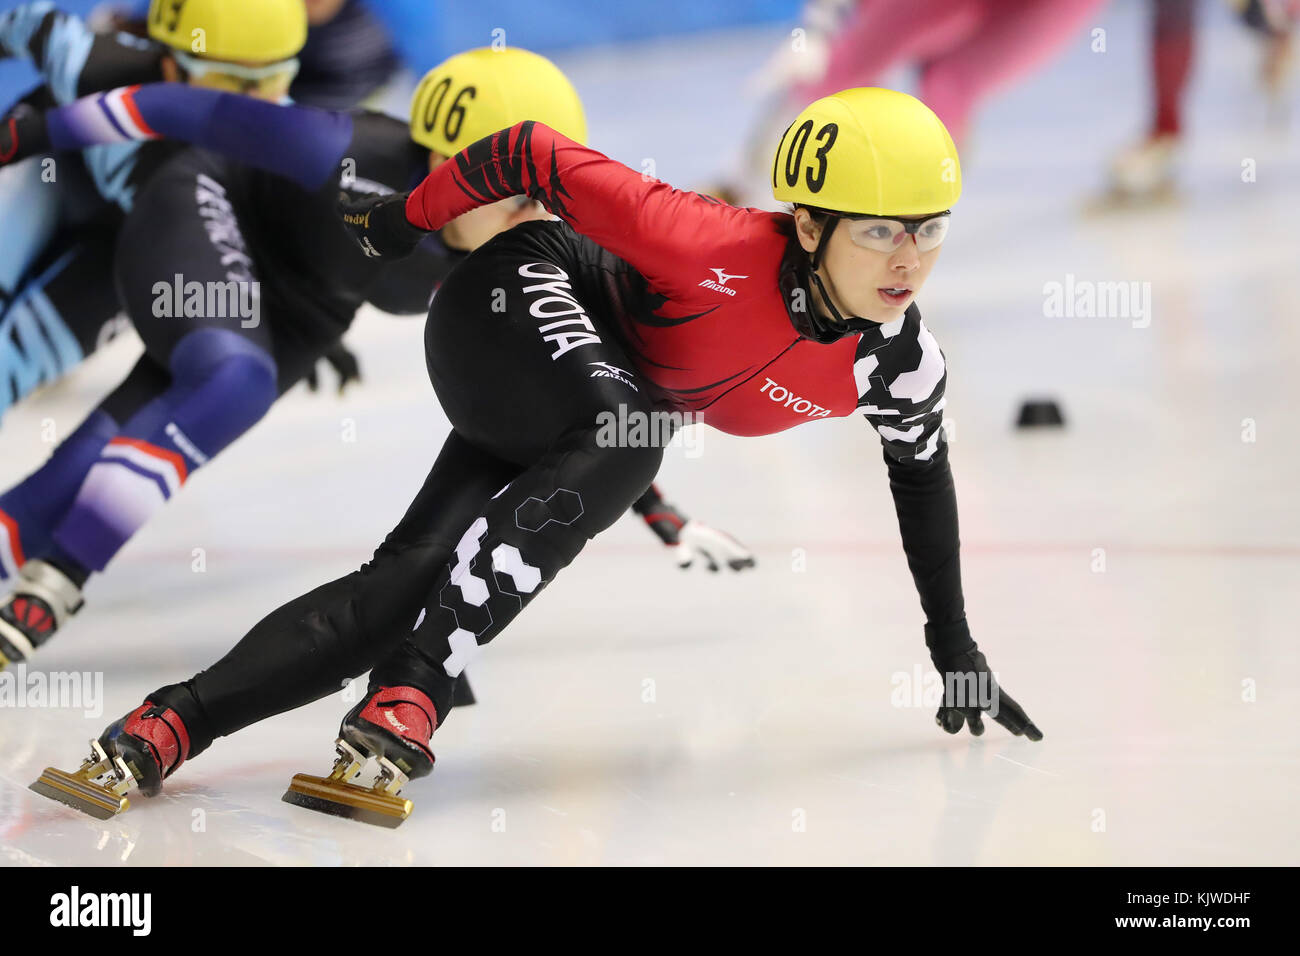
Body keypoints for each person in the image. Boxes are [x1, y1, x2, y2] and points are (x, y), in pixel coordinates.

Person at [31, 84, 1040, 827]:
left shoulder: (900, 364)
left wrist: (952, 644)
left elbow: (922, 475)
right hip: (510, 300)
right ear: (808, 221)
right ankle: (416, 687)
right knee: (633, 433)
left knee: (402, 583)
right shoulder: (707, 240)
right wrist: (402, 217)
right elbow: (527, 150)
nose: (908, 258)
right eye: (878, 230)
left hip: (566, 413)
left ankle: (163, 726)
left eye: (929, 230)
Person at [0, 47, 753, 677]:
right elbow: (184, 111)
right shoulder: (348, 152)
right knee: (233, 380)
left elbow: (590, 397)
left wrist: (660, 511)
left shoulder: (526, 248)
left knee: (106, 450)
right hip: (203, 205)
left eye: (547, 193)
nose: (533, 218)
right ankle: (63, 578)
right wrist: (31, 132)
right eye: (505, 187)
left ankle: (22, 548)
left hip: (302, 312)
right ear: (443, 162)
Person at [0, 0, 311, 421]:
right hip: (52, 169)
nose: (251, 102)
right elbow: (23, 24)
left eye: (274, 77)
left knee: (13, 365)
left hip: (128, 246)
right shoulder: (97, 64)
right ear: (170, 67)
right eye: (226, 78)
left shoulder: (292, 148)